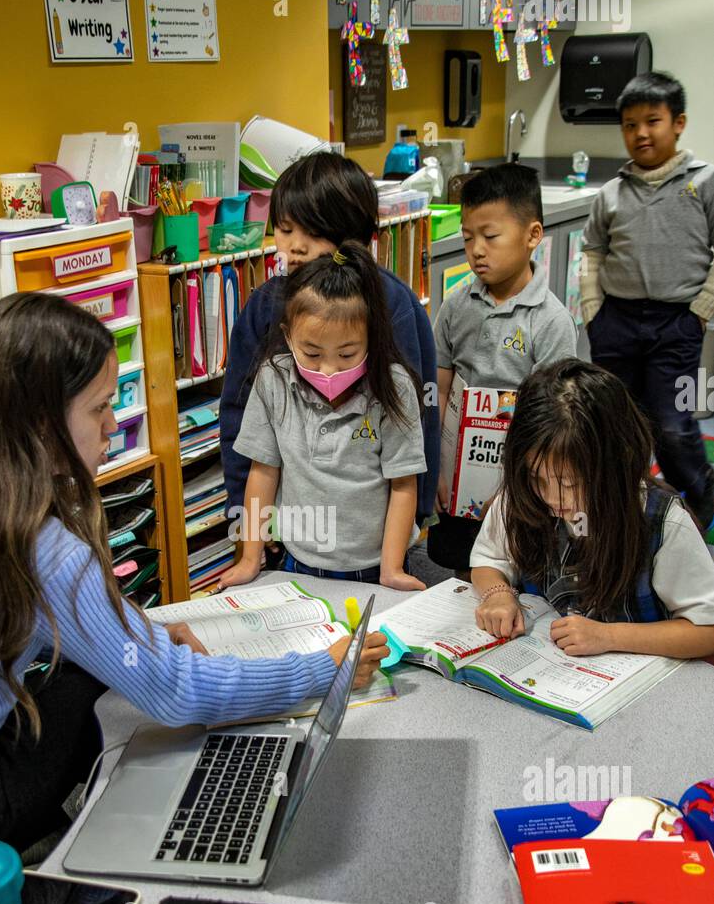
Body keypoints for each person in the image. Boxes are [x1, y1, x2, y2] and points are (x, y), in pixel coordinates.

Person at [0, 292, 387, 904]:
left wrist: (139, 635)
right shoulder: (32, 539)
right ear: (42, 426)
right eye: (101, 409)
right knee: (106, 700)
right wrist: (323, 668)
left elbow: (87, 614)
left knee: (92, 676)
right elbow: (177, 694)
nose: (113, 427)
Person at [220, 152, 440, 536]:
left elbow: (420, 415)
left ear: (356, 235)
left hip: (372, 532)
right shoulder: (265, 306)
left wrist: (416, 514)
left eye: (315, 232)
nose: (297, 246)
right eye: (286, 230)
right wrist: (248, 517)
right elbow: (238, 415)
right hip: (289, 527)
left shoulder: (392, 303)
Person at [469, 359, 714, 659]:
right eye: (536, 478)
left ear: (617, 465)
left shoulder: (663, 522)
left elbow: (707, 630)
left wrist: (608, 635)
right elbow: (488, 560)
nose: (554, 499)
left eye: (571, 484)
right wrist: (498, 594)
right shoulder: (521, 498)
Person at [217, 242, 427, 589]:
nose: (329, 369)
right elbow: (262, 471)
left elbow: (403, 483)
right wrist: (250, 558)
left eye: (347, 354)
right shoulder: (274, 379)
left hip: (375, 563)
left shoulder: (394, 387)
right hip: (298, 558)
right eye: (312, 353)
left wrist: (392, 570)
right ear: (288, 336)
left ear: (371, 339)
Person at [581, 71, 714, 531]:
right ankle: (632, 512)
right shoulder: (611, 193)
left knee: (672, 428)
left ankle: (701, 495)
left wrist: (700, 312)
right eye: (630, 124)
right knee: (618, 427)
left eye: (652, 121)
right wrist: (592, 313)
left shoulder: (704, 182)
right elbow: (593, 251)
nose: (640, 133)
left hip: (675, 323)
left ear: (678, 123)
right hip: (615, 321)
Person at [431, 163, 578, 575]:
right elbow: (438, 390)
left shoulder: (551, 322)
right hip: (459, 477)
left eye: (491, 236)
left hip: (521, 481)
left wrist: (519, 485)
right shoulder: (455, 307)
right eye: (467, 238)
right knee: (462, 565)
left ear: (532, 235)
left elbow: (554, 418)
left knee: (519, 567)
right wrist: (437, 469)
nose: (477, 249)